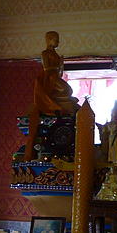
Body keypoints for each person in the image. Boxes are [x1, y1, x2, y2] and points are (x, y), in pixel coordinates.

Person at [24, 31, 78, 160]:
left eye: (58, 40)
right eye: (55, 39)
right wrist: (56, 71)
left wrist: (61, 64)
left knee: (68, 91)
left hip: (55, 77)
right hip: (49, 78)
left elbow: (59, 72)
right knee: (67, 91)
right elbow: (47, 69)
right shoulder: (45, 53)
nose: (57, 42)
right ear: (49, 40)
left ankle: (63, 102)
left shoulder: (55, 54)